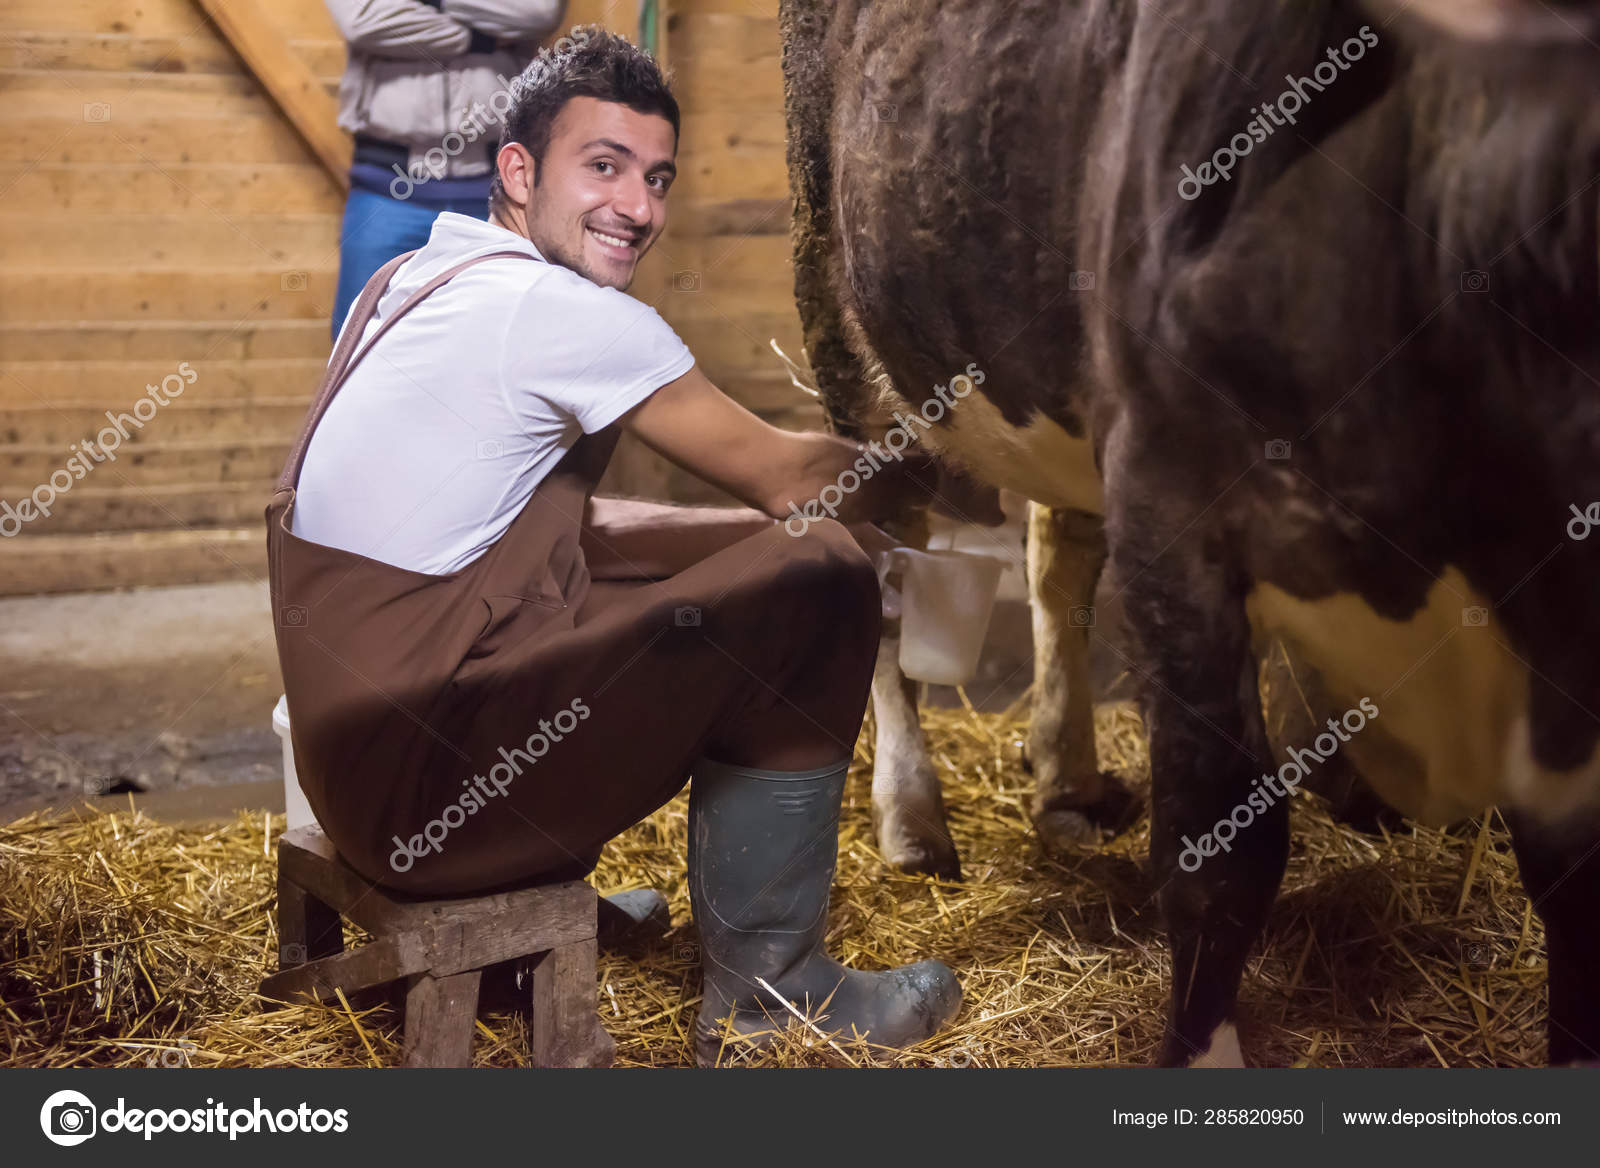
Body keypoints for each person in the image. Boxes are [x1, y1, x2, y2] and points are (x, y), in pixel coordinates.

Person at [268, 27, 967, 1064]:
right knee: (819, 579)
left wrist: (744, 537)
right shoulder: (561, 314)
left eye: (656, 178)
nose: (636, 208)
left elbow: (564, 528)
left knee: (745, 560)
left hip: (355, 776)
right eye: (602, 167)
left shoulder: (408, 285)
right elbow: (789, 476)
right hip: (428, 790)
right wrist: (958, 464)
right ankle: (769, 998)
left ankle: (544, 891)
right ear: (517, 169)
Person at [323, 0, 568, 338]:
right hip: (387, 189)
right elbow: (362, 19)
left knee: (504, 341)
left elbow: (537, 12)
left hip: (497, 190)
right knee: (359, 346)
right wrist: (483, 39)